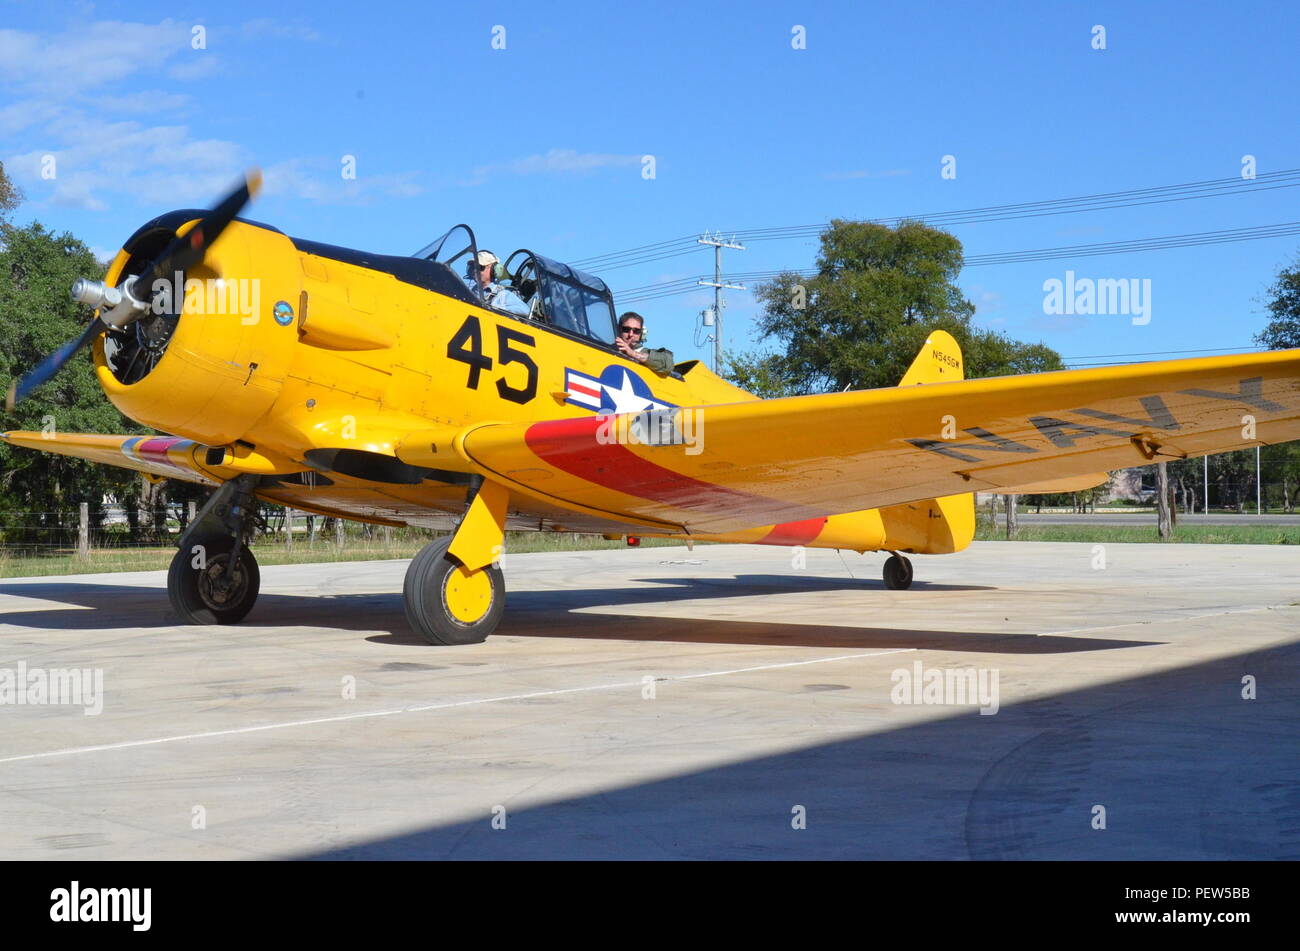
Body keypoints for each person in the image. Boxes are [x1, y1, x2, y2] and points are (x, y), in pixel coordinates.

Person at [465, 250, 530, 316]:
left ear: (494, 269)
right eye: (473, 268)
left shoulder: (502, 294)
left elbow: (525, 310)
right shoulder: (467, 292)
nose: (475, 271)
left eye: (479, 267)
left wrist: (497, 309)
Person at [614, 311, 674, 376]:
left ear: (641, 334)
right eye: (626, 329)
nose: (630, 334)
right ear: (618, 329)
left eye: (636, 331)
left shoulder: (645, 352)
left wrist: (632, 353)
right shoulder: (608, 348)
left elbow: (667, 364)